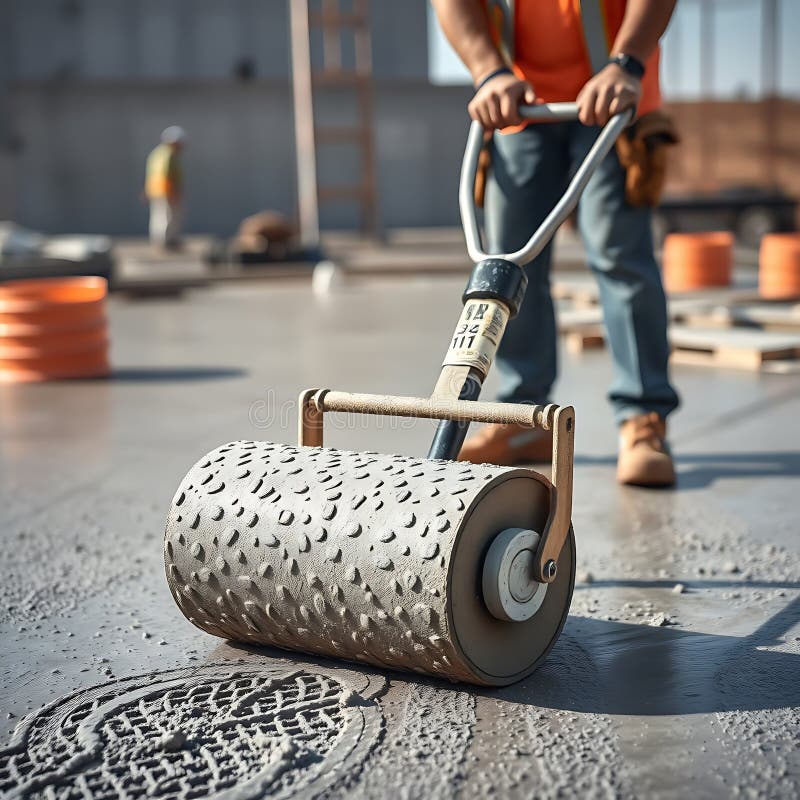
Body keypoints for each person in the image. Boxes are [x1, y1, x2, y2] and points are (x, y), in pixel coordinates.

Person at [431, 0, 680, 487]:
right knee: (507, 257)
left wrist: (627, 61)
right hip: (520, 103)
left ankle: (643, 419)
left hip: (613, 94)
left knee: (618, 254)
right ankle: (524, 418)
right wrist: (488, 71)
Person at [145, 126, 186, 250]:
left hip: (156, 190)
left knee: (159, 216)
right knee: (168, 216)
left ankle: (160, 241)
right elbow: (167, 174)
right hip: (166, 190)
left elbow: (151, 173)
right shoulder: (169, 155)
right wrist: (173, 192)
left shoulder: (157, 153)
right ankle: (167, 242)